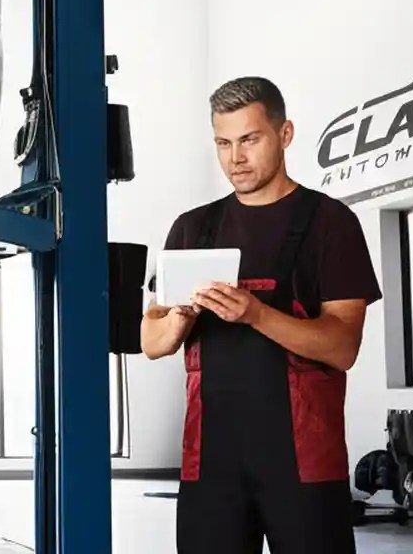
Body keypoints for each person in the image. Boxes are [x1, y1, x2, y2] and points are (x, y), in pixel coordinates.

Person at [142, 77, 382, 554]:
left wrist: (256, 315)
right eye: (223, 143)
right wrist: (181, 319)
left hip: (304, 466)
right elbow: (152, 340)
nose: (236, 158)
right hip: (210, 465)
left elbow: (342, 347)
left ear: (285, 133)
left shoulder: (329, 223)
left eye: (249, 140)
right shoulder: (192, 228)